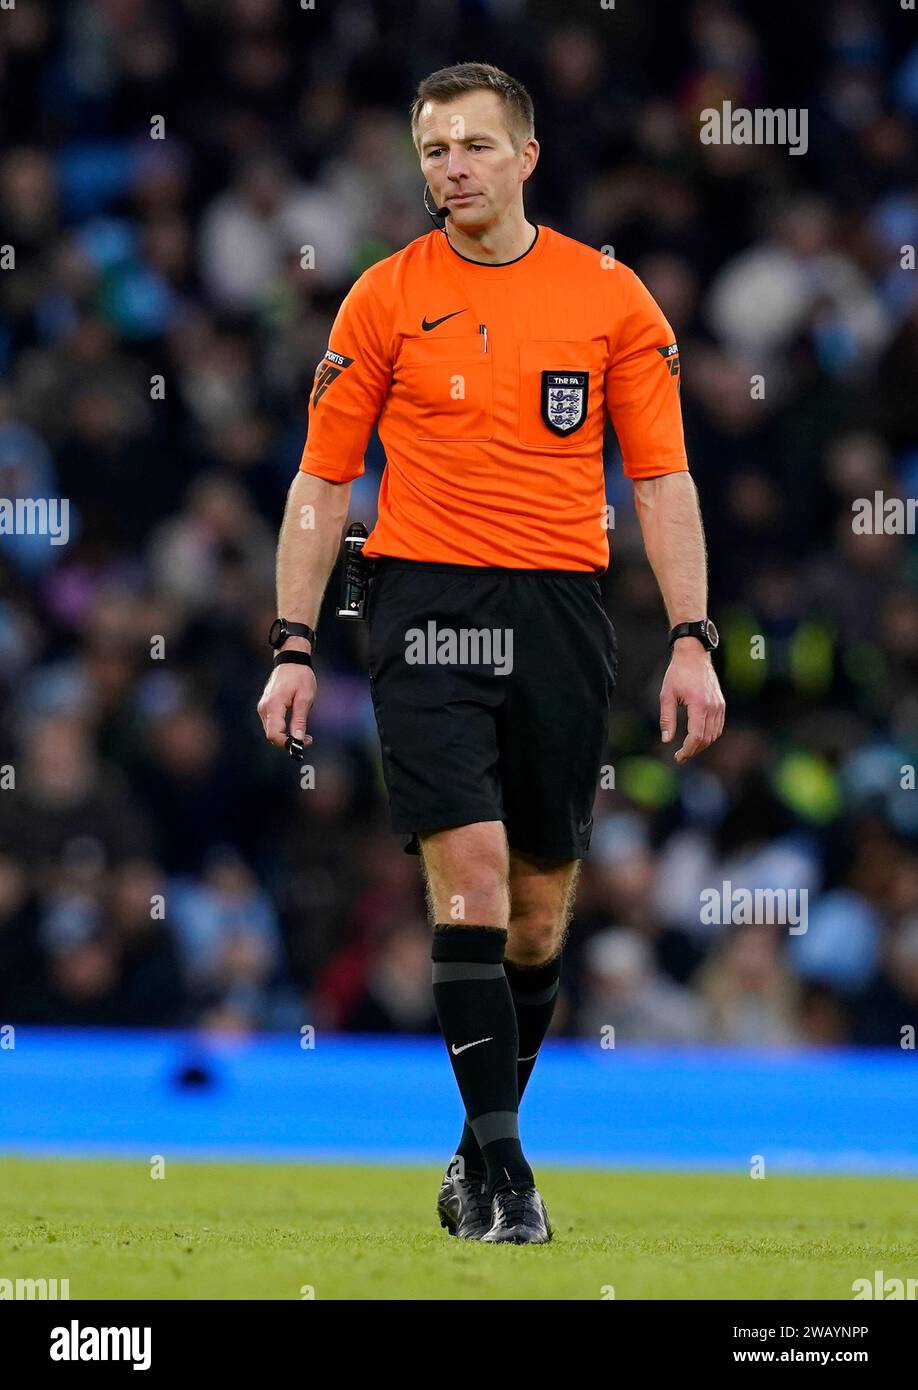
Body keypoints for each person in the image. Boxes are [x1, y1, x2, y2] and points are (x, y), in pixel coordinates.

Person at [257, 62, 725, 1244]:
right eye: (431, 149)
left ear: (525, 157)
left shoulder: (612, 299)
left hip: (565, 609)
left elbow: (662, 479)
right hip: (418, 604)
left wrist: (691, 635)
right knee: (465, 870)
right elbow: (323, 481)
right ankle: (514, 1183)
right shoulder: (378, 299)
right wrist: (295, 642)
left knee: (535, 910)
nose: (449, 167)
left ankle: (477, 1151)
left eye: (472, 145)